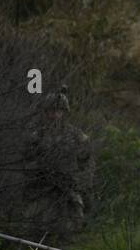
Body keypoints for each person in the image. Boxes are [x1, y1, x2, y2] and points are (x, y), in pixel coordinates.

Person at [21, 85, 92, 239]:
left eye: (58, 111)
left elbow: (86, 159)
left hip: (66, 186)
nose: (54, 115)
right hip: (41, 187)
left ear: (64, 113)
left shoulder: (76, 135)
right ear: (45, 112)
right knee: (33, 225)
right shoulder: (36, 136)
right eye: (51, 111)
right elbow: (26, 161)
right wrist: (40, 172)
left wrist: (76, 178)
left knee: (75, 218)